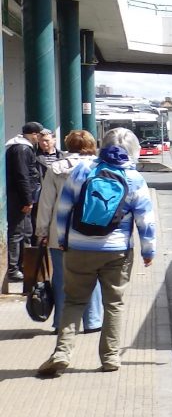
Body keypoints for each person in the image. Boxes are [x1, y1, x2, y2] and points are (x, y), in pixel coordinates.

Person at [37, 128, 157, 377]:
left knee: (74, 301)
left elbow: (63, 209)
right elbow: (145, 220)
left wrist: (62, 239)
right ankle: (111, 357)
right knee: (113, 304)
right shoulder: (134, 178)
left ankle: (62, 353)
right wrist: (148, 250)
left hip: (79, 248)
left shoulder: (82, 170)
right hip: (117, 251)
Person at [35, 129, 103, 334]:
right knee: (93, 275)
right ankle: (93, 321)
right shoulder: (100, 167)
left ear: (68, 145)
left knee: (61, 277)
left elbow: (46, 203)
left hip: (60, 232)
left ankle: (62, 323)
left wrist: (42, 231)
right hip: (93, 231)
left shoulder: (55, 168)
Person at [5, 121, 46, 283]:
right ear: (33, 134)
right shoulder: (22, 149)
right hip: (20, 198)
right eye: (39, 135)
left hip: (20, 197)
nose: (40, 138)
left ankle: (22, 266)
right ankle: (14, 268)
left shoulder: (20, 147)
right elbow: (22, 176)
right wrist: (27, 199)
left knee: (25, 232)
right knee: (18, 232)